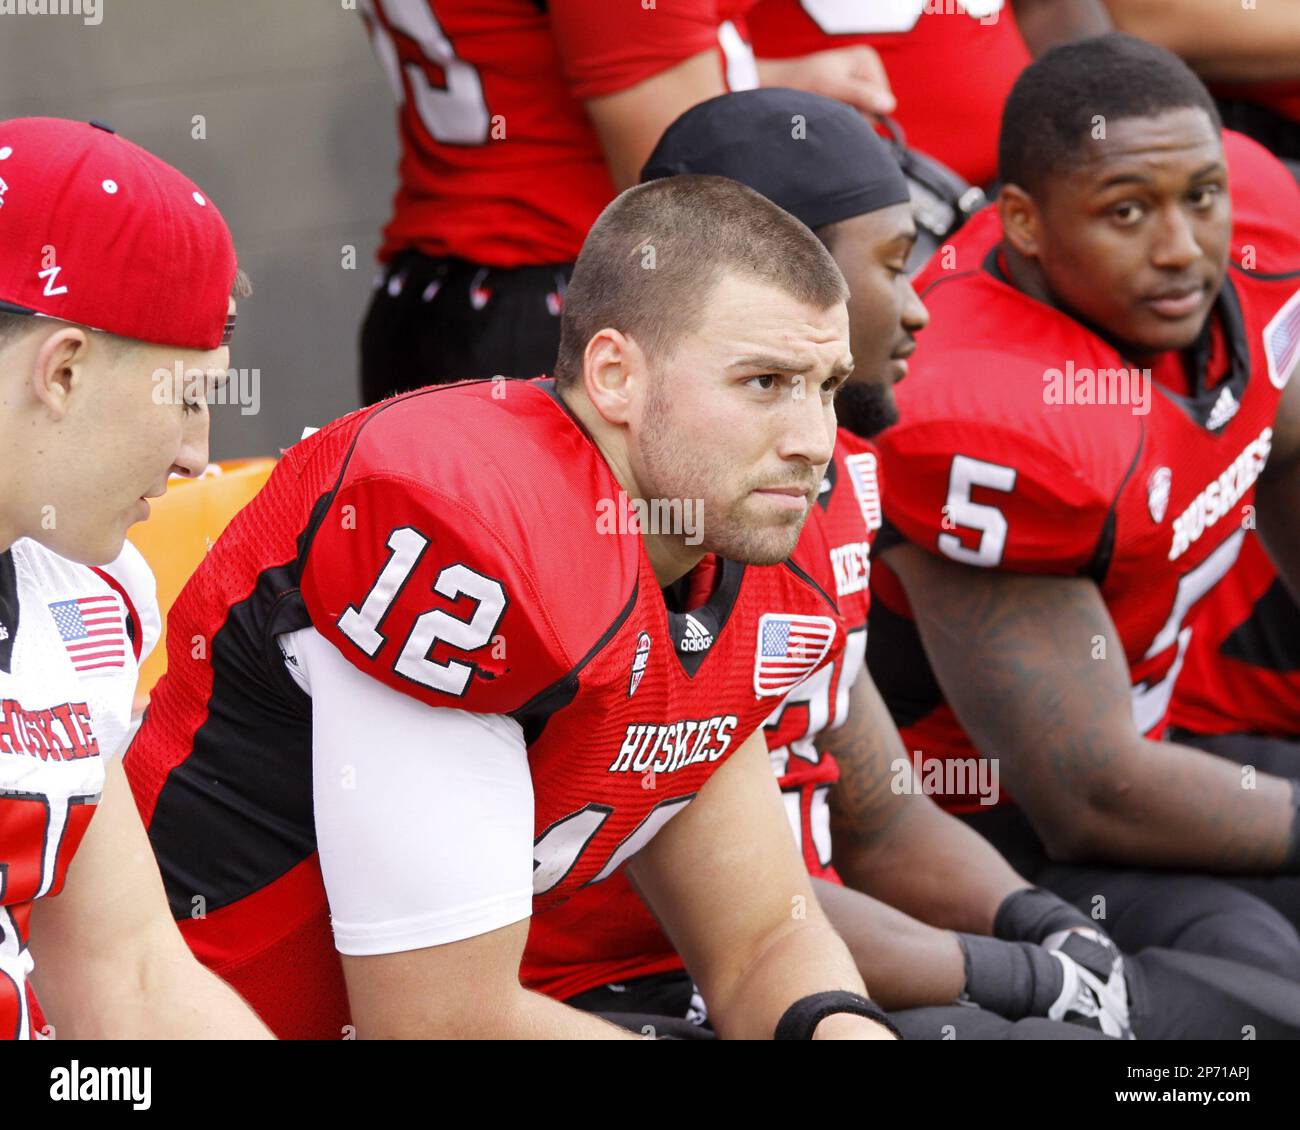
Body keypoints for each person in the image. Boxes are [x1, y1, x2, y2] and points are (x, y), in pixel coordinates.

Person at [520, 88, 1300, 1043]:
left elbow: (884, 819)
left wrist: (1047, 934)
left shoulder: (840, 476)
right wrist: (1021, 975)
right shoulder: (635, 539)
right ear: (786, 277)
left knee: (1255, 988)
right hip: (676, 982)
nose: (924, 306)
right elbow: (740, 917)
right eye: (895, 265)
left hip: (847, 932)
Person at [126, 173, 900, 1040]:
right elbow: (442, 1028)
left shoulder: (725, 535)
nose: (811, 441)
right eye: (764, 382)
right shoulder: (470, 532)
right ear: (614, 376)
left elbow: (760, 942)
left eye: (826, 386)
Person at [867, 34, 1300, 966]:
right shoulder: (990, 412)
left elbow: (1288, 447)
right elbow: (1091, 794)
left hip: (1171, 730)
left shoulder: (1253, 212)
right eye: (1127, 212)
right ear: (1023, 222)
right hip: (990, 827)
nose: (1183, 249)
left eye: (1200, 199)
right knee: (1266, 983)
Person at [0, 117, 271, 1039]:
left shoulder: (80, 590)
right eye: (189, 396)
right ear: (65, 370)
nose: (200, 456)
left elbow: (133, 978)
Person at [356, 0, 893, 403]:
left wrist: (765, 80)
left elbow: (539, 59)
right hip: (569, 299)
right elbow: (687, 181)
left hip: (445, 289)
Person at [747, 0, 1111, 189]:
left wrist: (1103, 117)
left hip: (1015, 188)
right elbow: (693, 47)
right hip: (828, 210)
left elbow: (1051, 9)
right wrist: (763, 80)